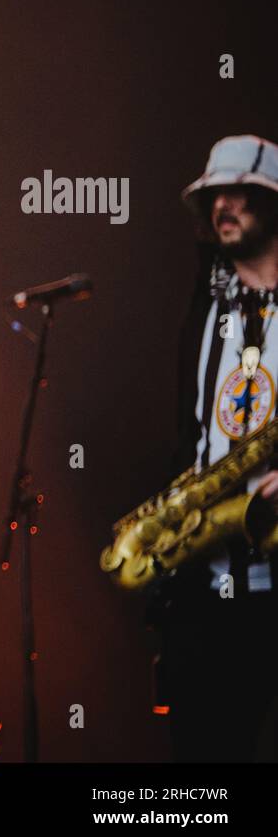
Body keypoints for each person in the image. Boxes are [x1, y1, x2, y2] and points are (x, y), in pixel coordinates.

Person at [158, 133, 278, 761]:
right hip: (207, 592)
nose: (222, 206)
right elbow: (192, 434)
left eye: (239, 192)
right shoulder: (204, 307)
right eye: (213, 196)